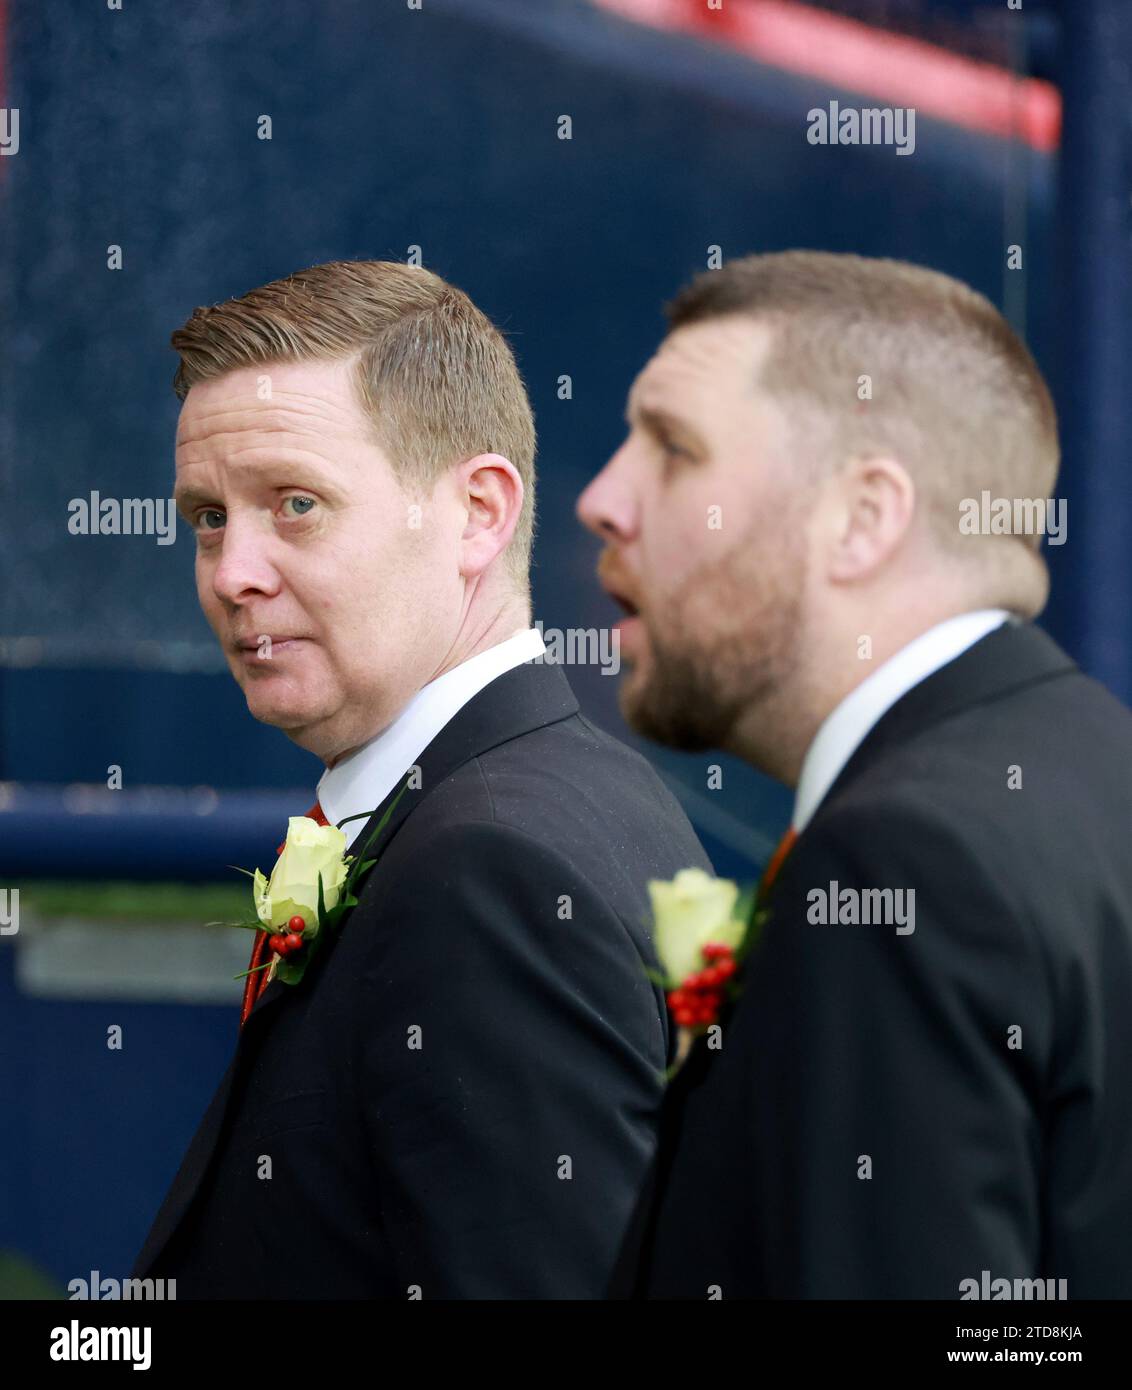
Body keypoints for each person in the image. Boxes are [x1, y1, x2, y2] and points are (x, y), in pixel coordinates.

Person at [132, 258, 711, 1298]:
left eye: (295, 502)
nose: (231, 573)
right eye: (209, 516)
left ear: (479, 513)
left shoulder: (489, 870)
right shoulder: (565, 797)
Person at [577, 250, 1132, 1298]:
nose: (604, 498)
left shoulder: (901, 860)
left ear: (863, 518)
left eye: (673, 449)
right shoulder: (1094, 771)